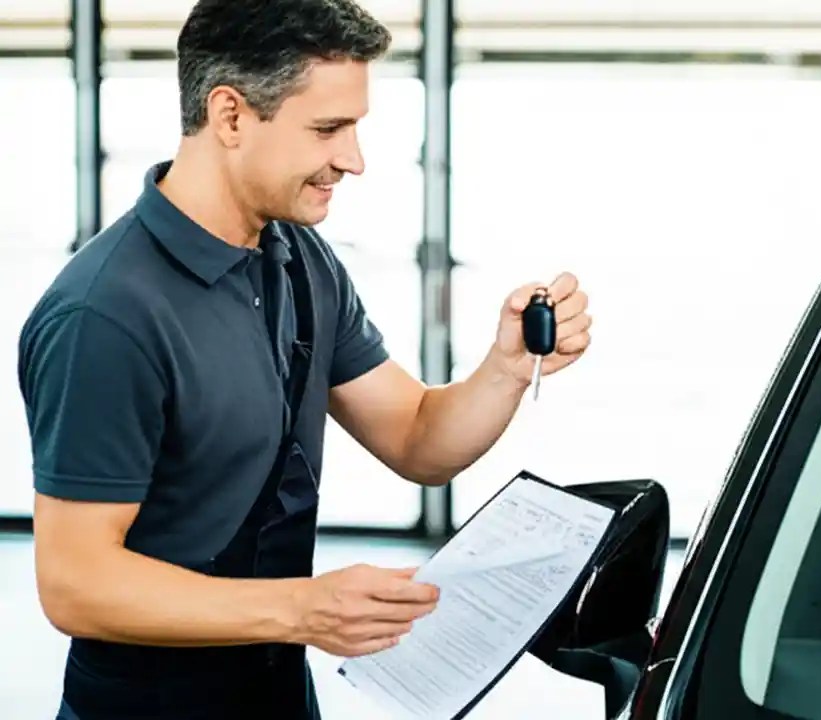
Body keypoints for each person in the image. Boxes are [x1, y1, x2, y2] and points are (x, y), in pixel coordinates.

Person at [15, 1, 592, 718]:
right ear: (230, 116)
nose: (353, 160)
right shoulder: (105, 316)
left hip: (278, 693)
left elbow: (417, 438)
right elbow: (75, 585)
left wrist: (505, 367)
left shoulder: (298, 257)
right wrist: (303, 608)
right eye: (327, 129)